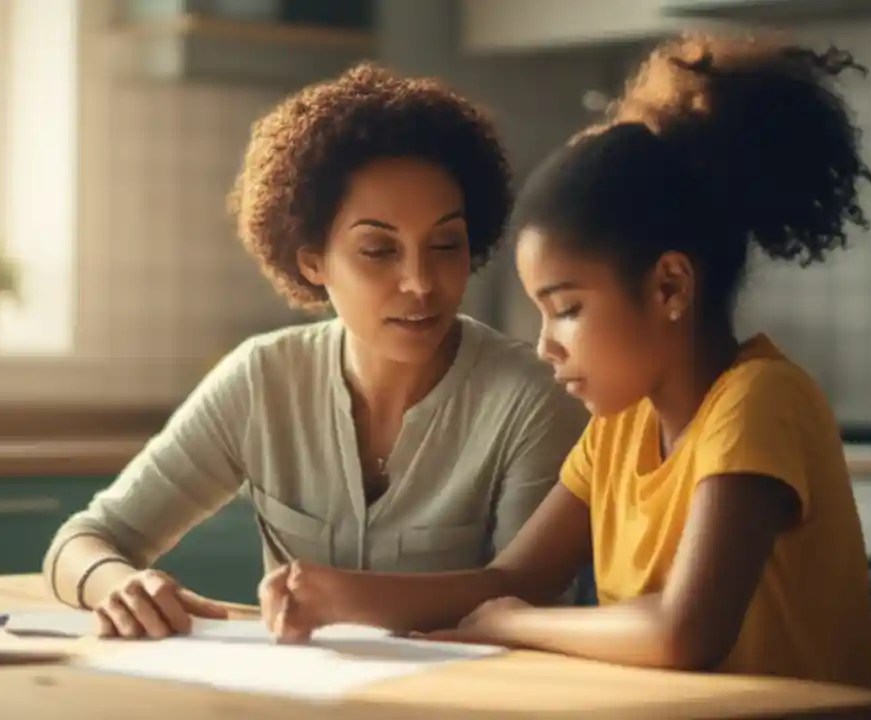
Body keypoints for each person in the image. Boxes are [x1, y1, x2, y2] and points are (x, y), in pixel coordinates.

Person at [258, 35, 871, 689]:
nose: (546, 344)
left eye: (568, 309)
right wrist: (339, 595)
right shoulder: (620, 426)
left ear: (670, 287)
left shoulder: (758, 402)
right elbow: (512, 580)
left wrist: (511, 624)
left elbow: (683, 631)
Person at [42, 64, 589, 639]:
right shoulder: (262, 380)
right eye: (379, 250)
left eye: (445, 245)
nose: (421, 282)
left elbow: (529, 597)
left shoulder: (532, 398)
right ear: (312, 261)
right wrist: (122, 584)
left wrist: (355, 599)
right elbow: (83, 541)